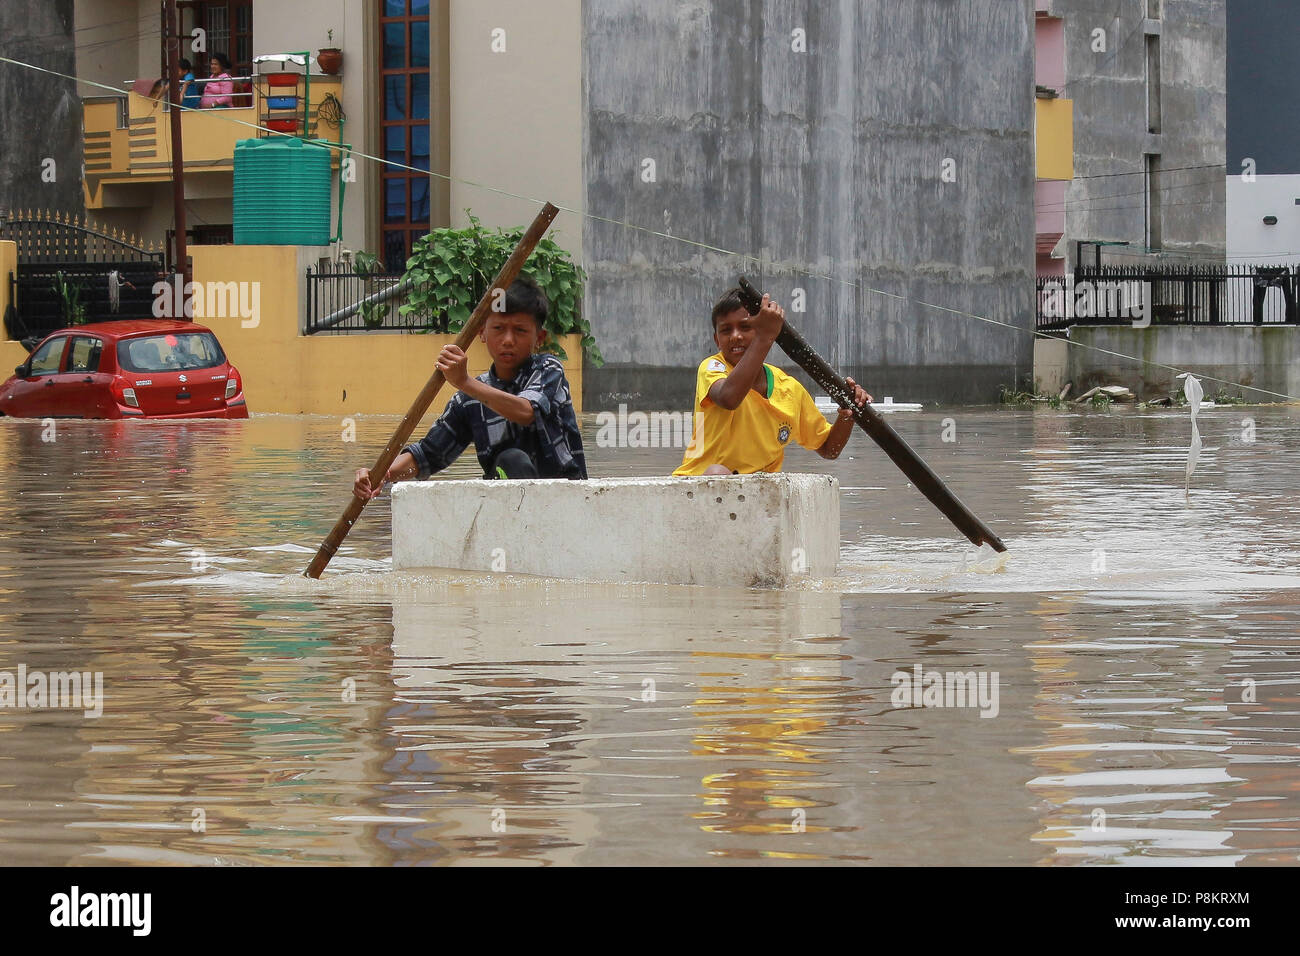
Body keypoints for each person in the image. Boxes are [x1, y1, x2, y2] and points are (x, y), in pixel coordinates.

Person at [353, 276, 586, 500]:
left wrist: (464, 382)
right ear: (481, 332)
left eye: (520, 331)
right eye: (498, 328)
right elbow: (428, 454)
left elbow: (526, 412)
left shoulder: (547, 368)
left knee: (513, 459)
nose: (507, 340)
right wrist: (382, 475)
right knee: (508, 462)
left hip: (563, 500)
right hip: (508, 505)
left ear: (540, 338)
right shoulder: (468, 400)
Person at [673, 287, 871, 476]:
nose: (736, 336)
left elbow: (829, 448)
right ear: (717, 340)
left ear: (759, 328)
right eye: (726, 330)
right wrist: (765, 337)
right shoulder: (713, 368)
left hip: (757, 496)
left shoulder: (789, 389)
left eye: (745, 327)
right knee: (718, 472)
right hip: (698, 488)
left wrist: (848, 413)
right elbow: (729, 398)